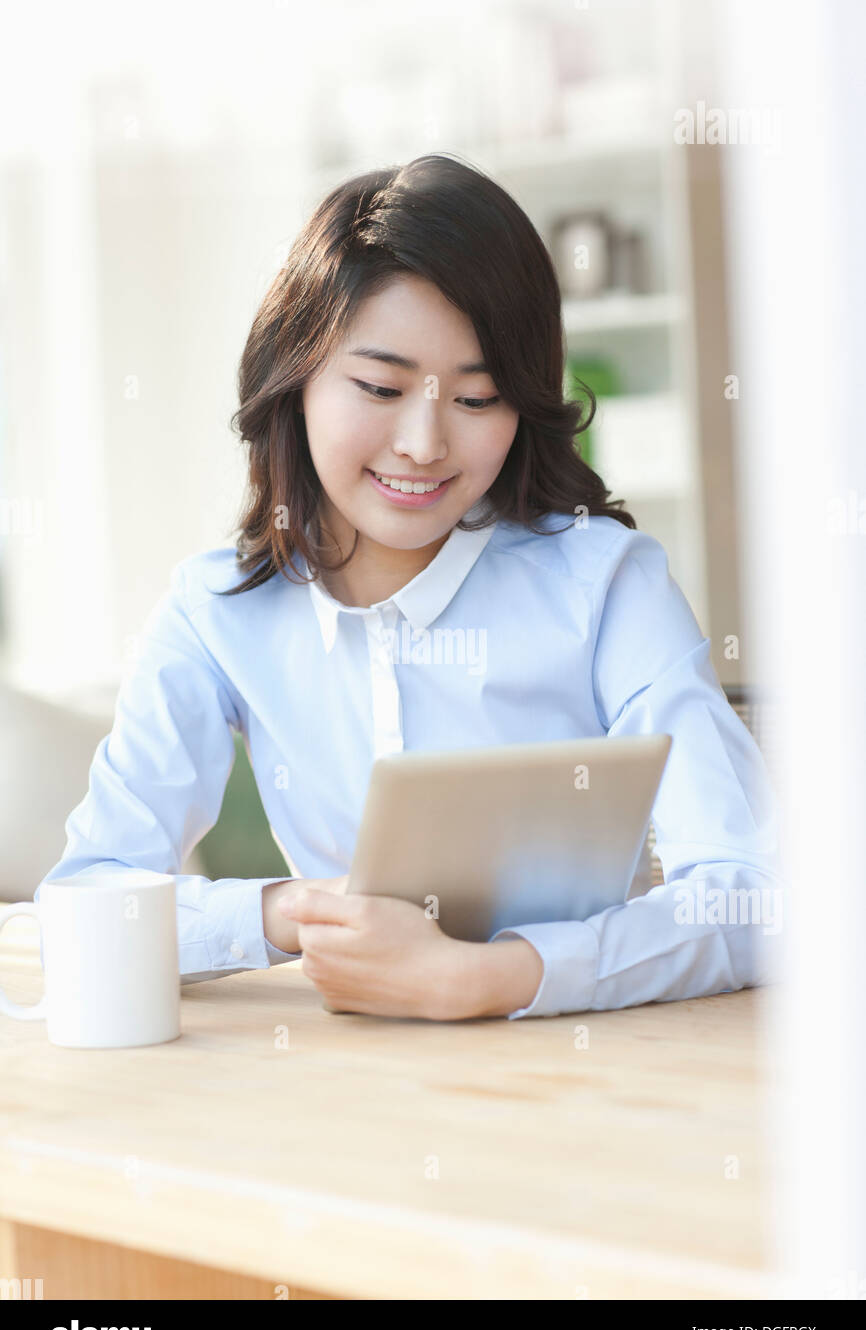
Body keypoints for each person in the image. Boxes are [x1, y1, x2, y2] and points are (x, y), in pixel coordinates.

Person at [36, 153, 783, 1021]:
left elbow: (753, 896)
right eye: (382, 387)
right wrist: (286, 911)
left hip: (586, 1080)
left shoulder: (605, 581)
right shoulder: (217, 612)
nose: (425, 443)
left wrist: (493, 977)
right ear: (297, 376)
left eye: (478, 399)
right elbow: (84, 901)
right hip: (346, 1089)